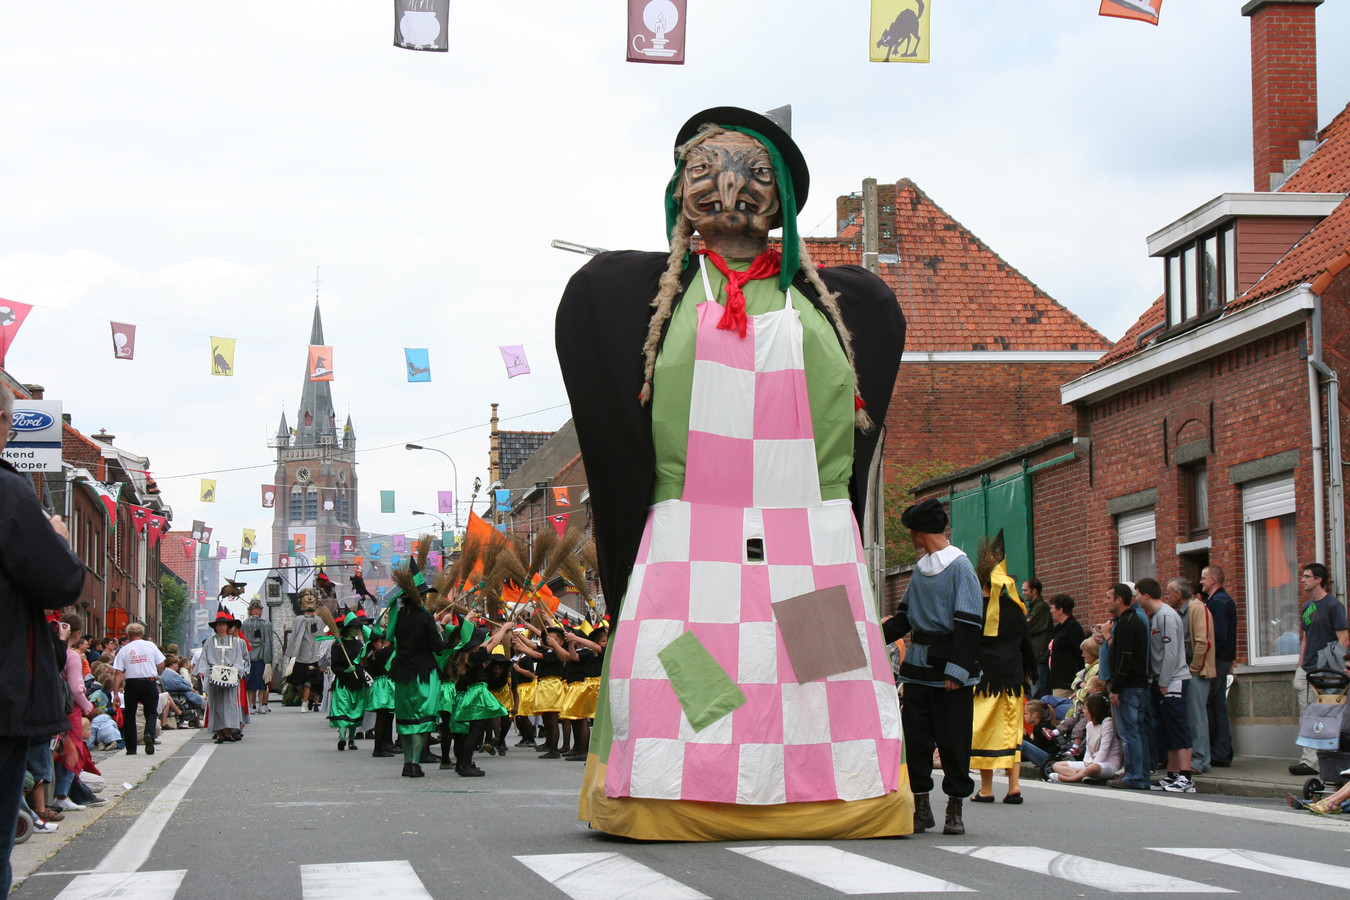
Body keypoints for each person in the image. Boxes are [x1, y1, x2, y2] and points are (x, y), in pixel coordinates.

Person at [556, 105, 907, 842]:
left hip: (806, 540)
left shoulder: (829, 303)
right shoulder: (647, 298)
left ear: (778, 196)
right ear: (679, 190)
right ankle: (679, 792)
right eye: (705, 170)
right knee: (687, 672)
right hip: (690, 539)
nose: (727, 186)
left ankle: (831, 796)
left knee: (820, 684)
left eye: (749, 171)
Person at [885, 499, 984, 835]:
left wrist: (957, 671)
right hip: (917, 670)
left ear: (919, 531)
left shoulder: (960, 568)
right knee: (917, 740)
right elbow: (904, 619)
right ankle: (922, 807)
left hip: (948, 673)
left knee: (954, 741)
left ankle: (955, 809)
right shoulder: (920, 570)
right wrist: (869, 634)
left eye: (911, 531)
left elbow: (969, 623)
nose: (910, 536)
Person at [969, 541, 1036, 806]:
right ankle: (1014, 786)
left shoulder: (974, 607)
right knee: (1011, 731)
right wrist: (1029, 672)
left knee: (983, 731)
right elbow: (1027, 645)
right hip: (1011, 679)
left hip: (983, 681)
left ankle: (986, 788)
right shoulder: (1016, 609)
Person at [1135, 577, 1195, 792]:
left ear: (1145, 595)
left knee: (1178, 727)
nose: (1136, 598)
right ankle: (1173, 773)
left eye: (1137, 594)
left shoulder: (1167, 616)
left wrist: (1164, 681)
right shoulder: (1159, 616)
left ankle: (1186, 776)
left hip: (1173, 680)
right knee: (1168, 729)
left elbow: (1170, 653)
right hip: (1163, 680)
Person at [1290, 562, 1349, 776]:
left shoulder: (1333, 606)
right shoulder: (1308, 607)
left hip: (1325, 670)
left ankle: (1313, 762)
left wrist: (1337, 667)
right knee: (1307, 713)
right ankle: (1310, 759)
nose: (1303, 580)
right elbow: (1305, 638)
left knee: (1319, 714)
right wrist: (1300, 664)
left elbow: (1343, 639)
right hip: (1307, 668)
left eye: (1307, 576)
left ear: (1318, 580)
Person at [386, 569, 446, 778]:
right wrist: (437, 628)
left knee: (405, 718)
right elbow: (438, 647)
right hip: (424, 674)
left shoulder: (399, 617)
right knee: (422, 719)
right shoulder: (426, 617)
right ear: (420, 596)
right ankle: (415, 762)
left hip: (402, 674)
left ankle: (406, 763)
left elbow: (391, 639)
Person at [1106, 582, 1151, 791]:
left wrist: (1115, 688)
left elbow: (1124, 657)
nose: (1106, 601)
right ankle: (1141, 773)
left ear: (1119, 600)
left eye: (1109, 597)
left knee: (1129, 732)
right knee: (1138, 731)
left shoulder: (1126, 622)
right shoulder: (1136, 620)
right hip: (1139, 683)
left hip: (1128, 685)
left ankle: (1134, 775)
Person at [1167, 578, 1215, 774]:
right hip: (1183, 673)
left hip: (1195, 673)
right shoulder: (1177, 613)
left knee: (1197, 718)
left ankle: (1200, 760)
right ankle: (1189, 760)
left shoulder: (1196, 608)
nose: (1166, 597)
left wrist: (1193, 670)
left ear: (1179, 594)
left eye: (1168, 592)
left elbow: (1202, 642)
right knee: (1186, 718)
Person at [111, 622, 166, 755]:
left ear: (128, 635)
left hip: (132, 683)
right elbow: (161, 664)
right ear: (142, 634)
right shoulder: (151, 646)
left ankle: (131, 748)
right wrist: (157, 675)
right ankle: (149, 734)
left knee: (130, 715)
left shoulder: (124, 649)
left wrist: (116, 693)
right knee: (151, 712)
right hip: (149, 681)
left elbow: (117, 672)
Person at [196, 611, 250, 743]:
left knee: (230, 704)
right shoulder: (209, 642)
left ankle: (228, 732)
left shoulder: (235, 642)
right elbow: (204, 658)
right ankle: (218, 733)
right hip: (214, 676)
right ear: (215, 627)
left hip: (230, 676)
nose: (221, 627)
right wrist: (203, 671)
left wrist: (238, 672)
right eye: (219, 625)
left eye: (223, 624)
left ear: (227, 626)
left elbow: (239, 658)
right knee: (216, 704)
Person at [1202, 565, 1237, 767]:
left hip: (1218, 659)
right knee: (1216, 705)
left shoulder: (1218, 603)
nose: (1201, 582)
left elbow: (1218, 634)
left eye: (1204, 578)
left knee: (1215, 705)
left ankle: (1220, 751)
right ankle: (1222, 749)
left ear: (1213, 580)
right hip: (1222, 658)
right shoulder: (1220, 601)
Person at [1048, 694, 1120, 784]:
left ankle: (1070, 778)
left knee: (1093, 768)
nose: (1083, 711)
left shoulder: (1107, 723)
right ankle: (1085, 775)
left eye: (1085, 708)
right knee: (1057, 765)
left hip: (1107, 763)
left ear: (1093, 710)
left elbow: (1104, 749)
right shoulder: (1089, 725)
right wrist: (1086, 763)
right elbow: (1089, 749)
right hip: (1090, 763)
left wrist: (1092, 764)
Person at [284, 589, 327, 711]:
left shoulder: (319, 619)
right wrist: (291, 655)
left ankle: (306, 702)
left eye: (312, 595)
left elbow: (321, 636)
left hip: (315, 654)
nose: (309, 598)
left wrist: (324, 651)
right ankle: (307, 699)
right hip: (301, 655)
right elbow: (294, 638)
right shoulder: (298, 619)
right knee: (298, 683)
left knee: (311, 681)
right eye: (306, 596)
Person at [1047, 594, 1085, 701]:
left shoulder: (1073, 627)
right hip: (1055, 679)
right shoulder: (1059, 628)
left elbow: (1079, 653)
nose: (1051, 611)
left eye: (1053, 608)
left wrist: (1079, 678)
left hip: (1066, 681)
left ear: (1061, 610)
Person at [241, 599, 274, 715]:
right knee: (250, 684)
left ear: (261, 610)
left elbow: (269, 641)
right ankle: (251, 705)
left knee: (261, 683)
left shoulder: (266, 624)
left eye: (257, 608)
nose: (255, 610)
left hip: (262, 656)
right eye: (253, 608)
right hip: (249, 657)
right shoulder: (245, 624)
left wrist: (269, 660)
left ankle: (261, 705)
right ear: (250, 610)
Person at [1024, 578, 1052, 701]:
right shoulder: (1035, 608)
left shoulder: (1041, 608)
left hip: (1039, 658)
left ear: (1034, 591)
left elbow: (1026, 627)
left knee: (1038, 698)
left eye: (1025, 590)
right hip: (1035, 658)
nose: (1023, 593)